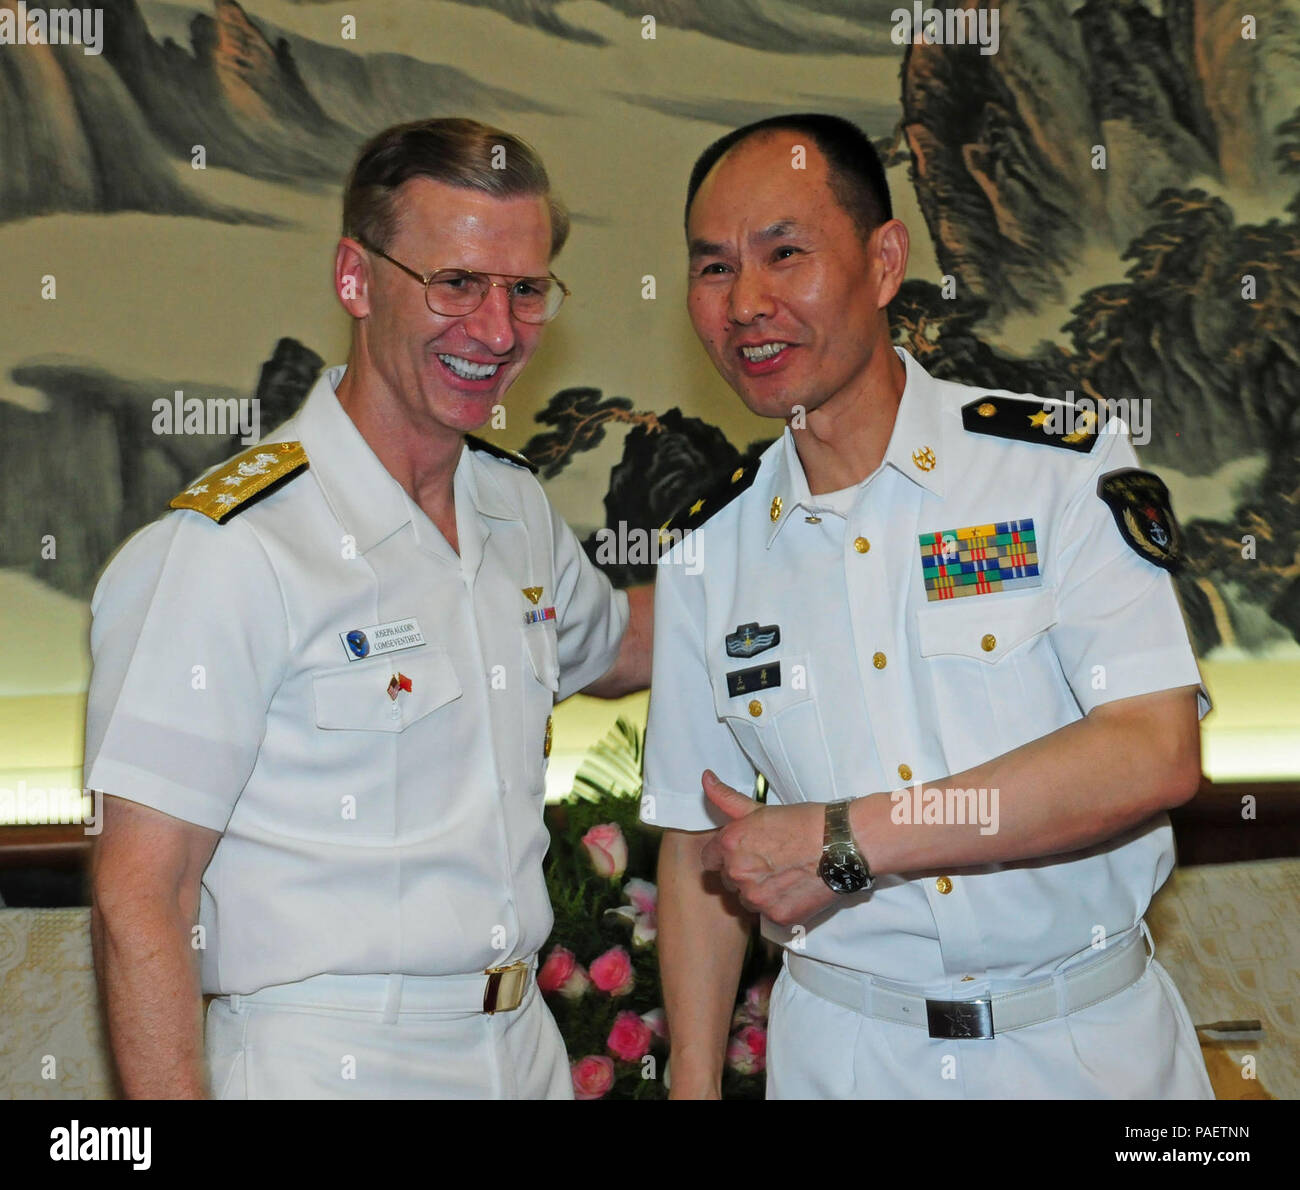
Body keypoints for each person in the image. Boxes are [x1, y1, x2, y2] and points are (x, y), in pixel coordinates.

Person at [642, 113, 1213, 1100]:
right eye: (712, 269)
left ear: (883, 260)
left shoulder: (1051, 470)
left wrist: (854, 838)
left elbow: (1150, 746)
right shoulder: (708, 551)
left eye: (786, 254)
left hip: (1084, 1045)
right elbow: (700, 840)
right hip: (847, 1056)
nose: (747, 302)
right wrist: (692, 1081)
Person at [87, 117, 652, 1100]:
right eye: (456, 283)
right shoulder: (229, 549)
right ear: (356, 278)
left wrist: (802, 563)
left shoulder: (513, 508)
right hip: (330, 1055)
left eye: (525, 290)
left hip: (523, 1046)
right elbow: (142, 891)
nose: (496, 329)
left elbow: (618, 645)